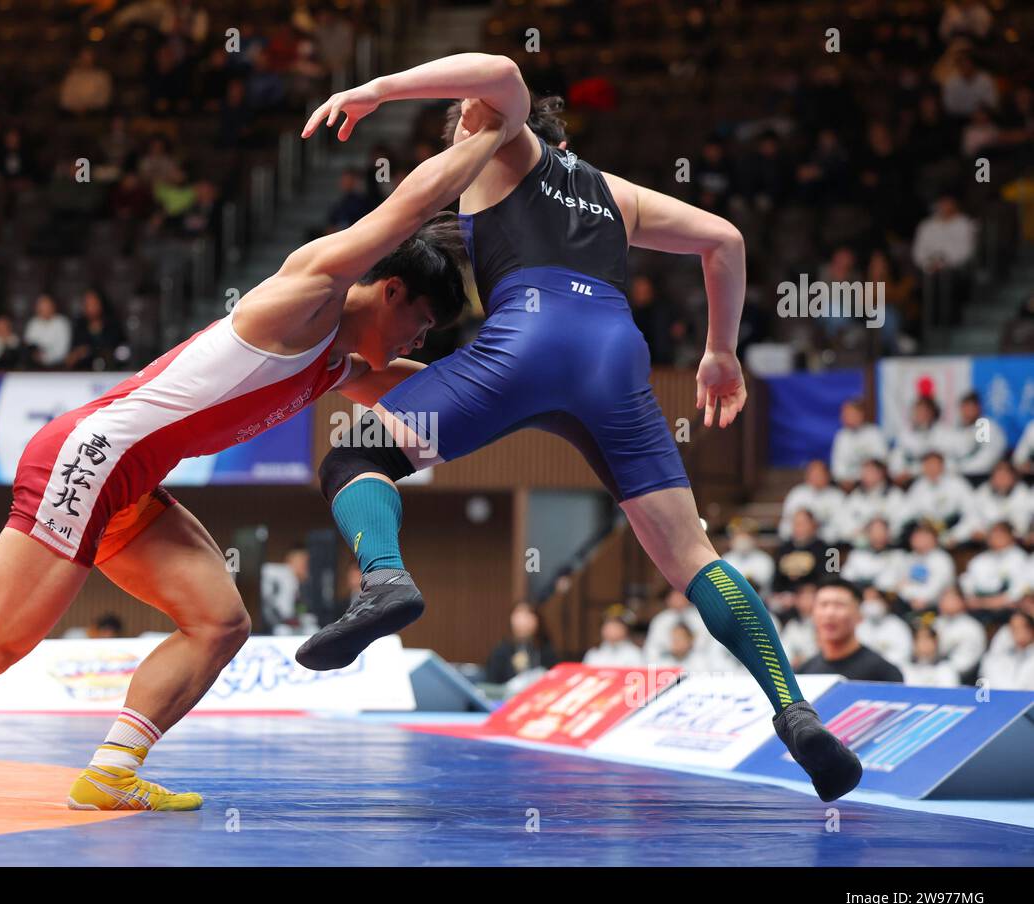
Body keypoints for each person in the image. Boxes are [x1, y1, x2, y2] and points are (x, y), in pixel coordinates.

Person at [0, 99, 512, 809]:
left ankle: (111, 768)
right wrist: (490, 137)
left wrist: (541, 386)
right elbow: (408, 207)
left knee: (219, 621)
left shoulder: (343, 362)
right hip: (91, 457)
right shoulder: (308, 292)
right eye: (417, 330)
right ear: (393, 292)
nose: (413, 346)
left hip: (127, 482)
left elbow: (441, 394)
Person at [296, 52, 861, 801]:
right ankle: (794, 712)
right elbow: (724, 239)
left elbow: (497, 69)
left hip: (530, 337)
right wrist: (719, 352)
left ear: (485, 120)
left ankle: (385, 579)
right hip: (617, 356)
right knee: (691, 553)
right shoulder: (616, 193)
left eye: (461, 130)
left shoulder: (502, 141)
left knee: (355, 458)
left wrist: (375, 87)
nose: (453, 158)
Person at [797, 580, 905, 682]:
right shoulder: (803, 675)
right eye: (823, 605)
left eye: (839, 605)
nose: (829, 613)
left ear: (859, 615)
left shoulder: (884, 674)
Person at [485, 601, 559, 684]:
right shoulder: (502, 651)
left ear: (536, 621)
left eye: (527, 617)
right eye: (518, 617)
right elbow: (492, 682)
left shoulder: (545, 649)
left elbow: (555, 676)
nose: (522, 622)